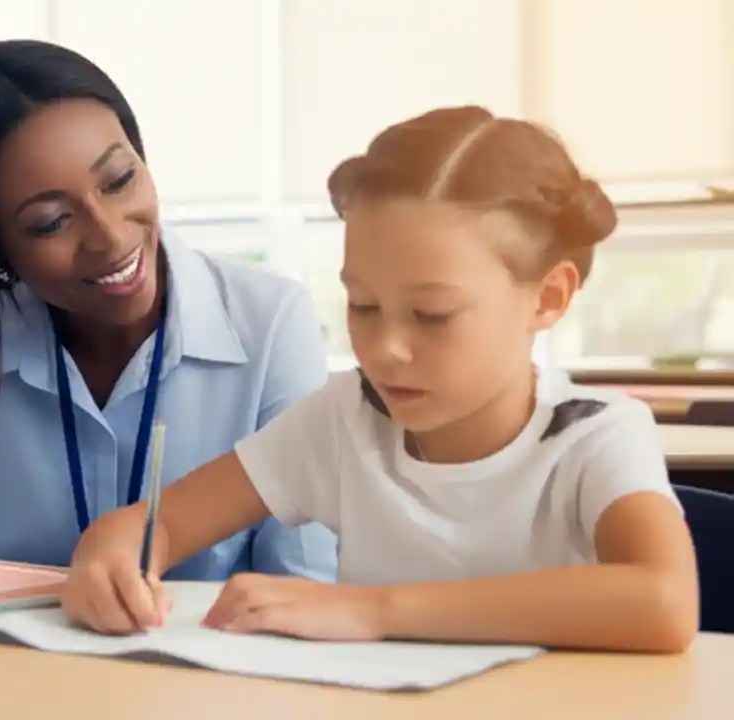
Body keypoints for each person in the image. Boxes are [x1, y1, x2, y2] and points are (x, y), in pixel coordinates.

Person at [60, 106, 700, 653]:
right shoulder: (345, 421)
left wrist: (374, 611)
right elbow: (159, 526)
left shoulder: (597, 435)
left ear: (549, 298)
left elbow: (664, 602)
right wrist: (110, 555)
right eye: (363, 306)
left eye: (433, 314)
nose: (386, 350)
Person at [0, 39, 339, 581]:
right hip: (6, 642)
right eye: (51, 221)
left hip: (218, 640)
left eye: (120, 180)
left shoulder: (271, 323)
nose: (110, 236)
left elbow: (303, 585)